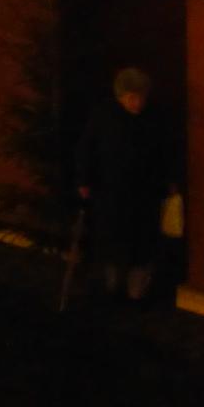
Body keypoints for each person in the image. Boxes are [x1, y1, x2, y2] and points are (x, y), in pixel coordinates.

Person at [75, 65, 169, 301]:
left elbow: (162, 153)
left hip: (143, 193)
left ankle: (136, 287)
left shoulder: (153, 119)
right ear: (121, 97)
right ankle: (111, 284)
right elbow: (87, 149)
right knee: (111, 238)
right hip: (111, 191)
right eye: (132, 98)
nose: (137, 103)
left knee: (141, 240)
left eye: (141, 98)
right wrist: (84, 179)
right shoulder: (104, 116)